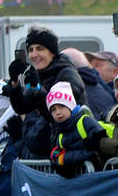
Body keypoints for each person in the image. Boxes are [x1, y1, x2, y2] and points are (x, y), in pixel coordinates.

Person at [6, 26, 87, 159]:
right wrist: (14, 83)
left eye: (40, 49)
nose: (34, 54)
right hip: (40, 148)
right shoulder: (38, 74)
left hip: (64, 149)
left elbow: (59, 109)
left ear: (52, 52)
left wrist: (38, 90)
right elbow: (21, 107)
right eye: (31, 50)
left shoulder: (67, 73)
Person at [46, 82, 107, 178]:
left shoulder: (86, 121)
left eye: (62, 106)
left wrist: (65, 158)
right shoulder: (60, 134)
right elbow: (58, 163)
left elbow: (99, 149)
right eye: (53, 109)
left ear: (70, 105)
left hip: (99, 179)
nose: (58, 112)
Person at [62, 48, 115, 117]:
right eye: (90, 64)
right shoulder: (100, 88)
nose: (93, 68)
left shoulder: (116, 96)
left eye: (98, 65)